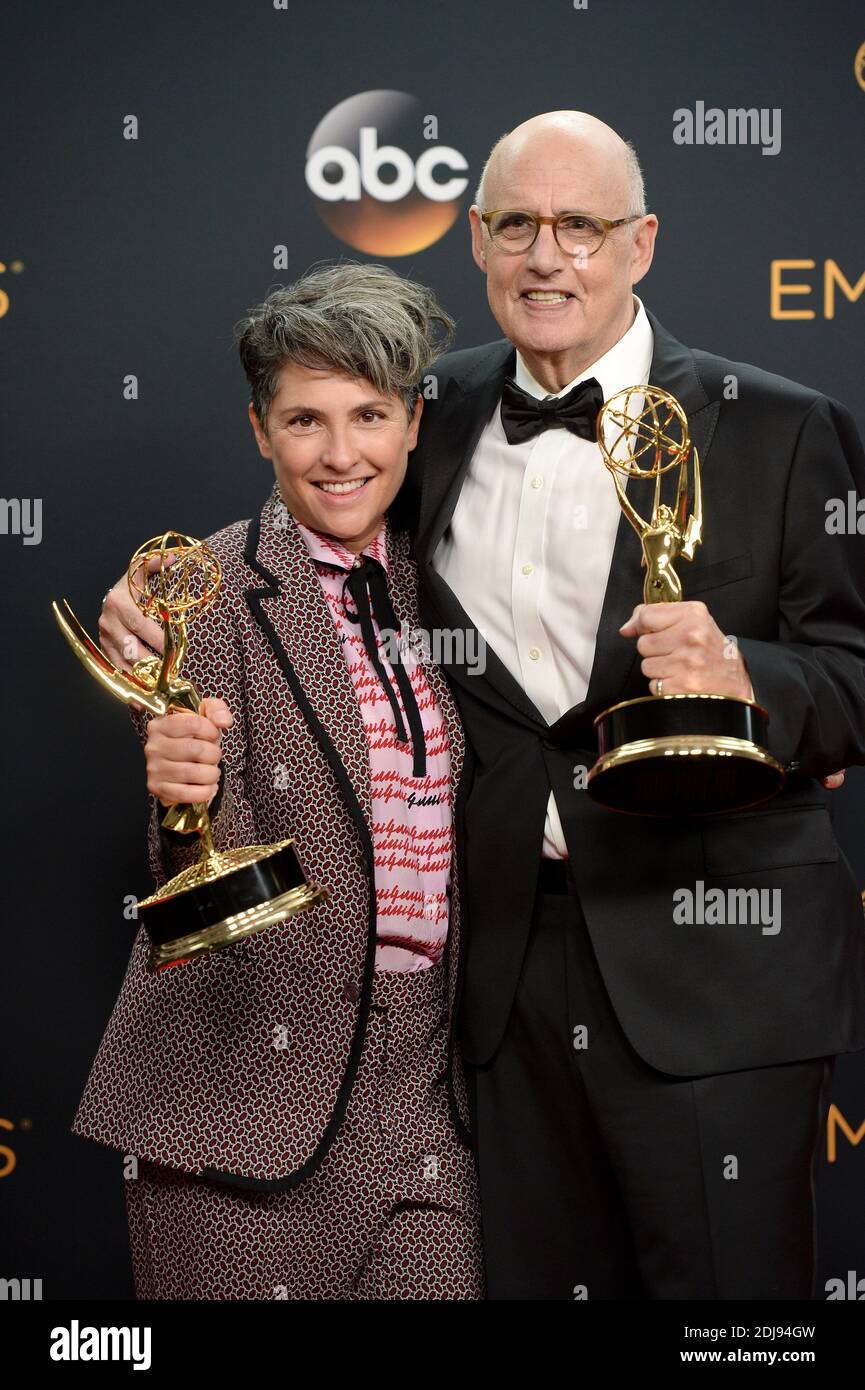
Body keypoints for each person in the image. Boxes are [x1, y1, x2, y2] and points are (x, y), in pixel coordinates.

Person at [99, 111, 863, 1302]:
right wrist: (151, 595)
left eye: (580, 227)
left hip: (711, 960)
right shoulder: (429, 406)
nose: (546, 256)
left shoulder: (776, 421)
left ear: (642, 243)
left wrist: (747, 676)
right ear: (476, 238)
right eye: (516, 224)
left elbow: (854, 680)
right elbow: (305, 523)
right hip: (496, 980)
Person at [71, 261, 484, 1301]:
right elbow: (198, 873)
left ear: (413, 422)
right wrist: (184, 794)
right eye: (304, 420)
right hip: (244, 1092)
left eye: (369, 414)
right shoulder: (199, 591)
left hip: (432, 1097)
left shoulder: (462, 579)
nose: (340, 455)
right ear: (259, 429)